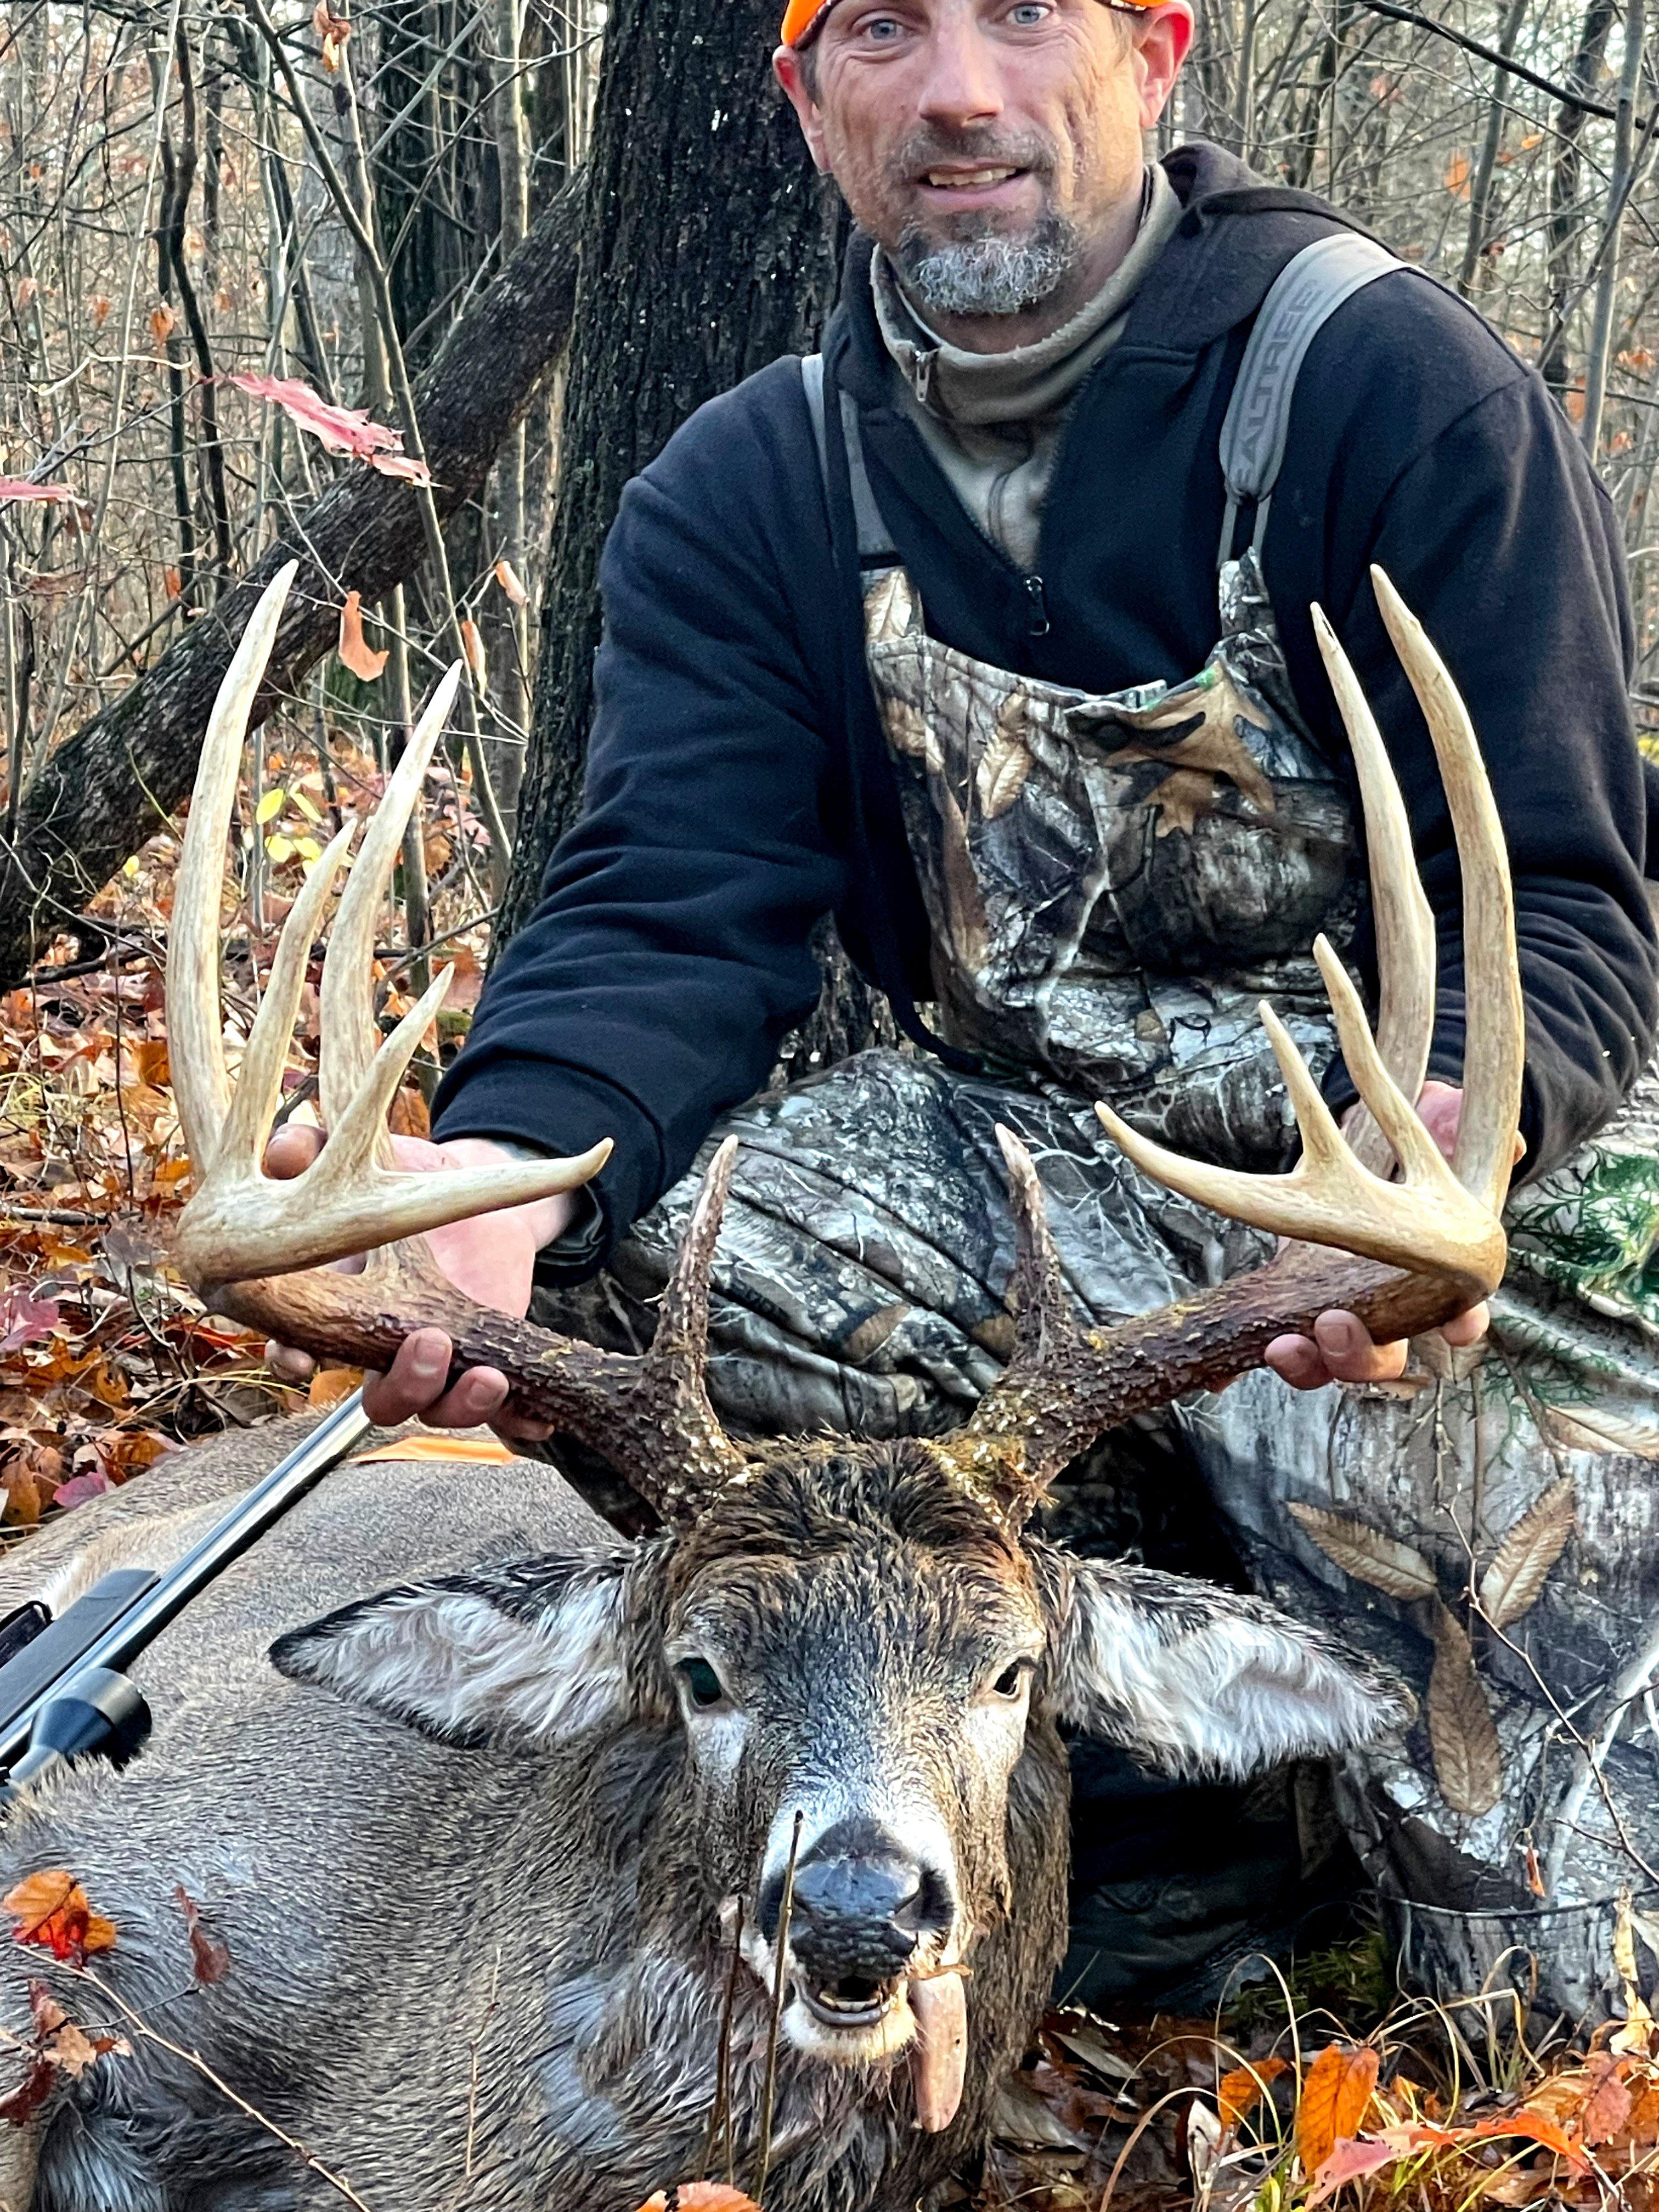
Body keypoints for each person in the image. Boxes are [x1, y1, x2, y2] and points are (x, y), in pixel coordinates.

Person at [271, 0, 1659, 2011]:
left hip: (1444, 1224)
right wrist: (497, 1176)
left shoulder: (1396, 392)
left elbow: (1572, 896)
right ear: (804, 99)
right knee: (623, 1275)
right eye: (885, 30)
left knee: (1553, 2001)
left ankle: (1363, 1820)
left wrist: (1448, 1135)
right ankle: (1072, 1809)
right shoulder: (749, 489)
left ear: (1159, 49)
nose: (962, 93)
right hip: (1049, 1180)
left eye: (1028, 12)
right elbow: (670, 907)